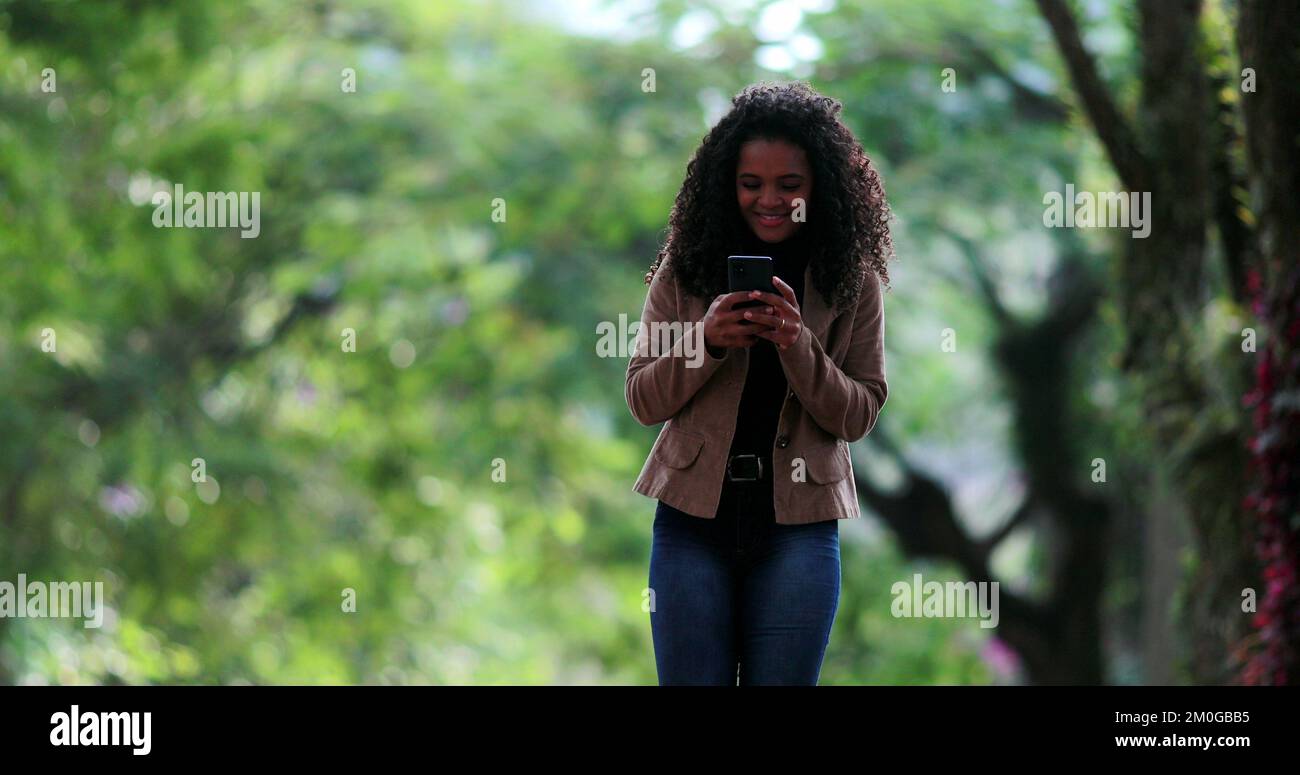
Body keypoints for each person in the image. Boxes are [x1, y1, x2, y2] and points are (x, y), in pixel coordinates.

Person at [625, 81, 895, 685]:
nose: (769, 200)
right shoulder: (686, 265)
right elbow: (642, 398)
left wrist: (798, 345)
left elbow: (858, 413)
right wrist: (707, 341)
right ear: (728, 183)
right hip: (692, 524)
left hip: (798, 529)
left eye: (789, 184)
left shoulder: (852, 278)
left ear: (819, 185)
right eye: (751, 183)